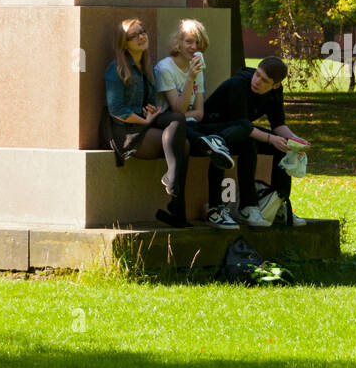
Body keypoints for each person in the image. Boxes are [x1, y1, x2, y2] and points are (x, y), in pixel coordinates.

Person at [154, 20, 252, 231]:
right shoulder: (165, 68)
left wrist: (194, 76)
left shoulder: (198, 65)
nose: (194, 48)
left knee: (244, 126)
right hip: (172, 129)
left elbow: (199, 113)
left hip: (195, 127)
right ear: (178, 43)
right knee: (190, 128)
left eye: (197, 43)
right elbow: (178, 112)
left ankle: (215, 142)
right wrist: (190, 77)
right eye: (189, 42)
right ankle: (213, 143)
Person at [102, 19, 192, 227]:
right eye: (134, 35)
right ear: (124, 43)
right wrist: (144, 120)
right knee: (184, 145)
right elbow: (116, 110)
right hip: (125, 130)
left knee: (177, 118)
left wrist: (151, 111)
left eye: (143, 32)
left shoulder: (147, 67)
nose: (142, 37)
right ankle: (177, 209)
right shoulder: (116, 68)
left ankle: (172, 180)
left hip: (144, 122)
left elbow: (148, 102)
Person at [203, 57, 311, 227]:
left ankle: (279, 203)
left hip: (240, 129)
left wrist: (295, 141)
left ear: (275, 85)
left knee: (284, 146)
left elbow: (278, 124)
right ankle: (248, 206)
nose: (257, 81)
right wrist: (271, 139)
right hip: (212, 129)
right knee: (249, 143)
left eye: (264, 80)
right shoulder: (238, 84)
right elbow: (243, 126)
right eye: (257, 74)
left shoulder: (276, 91)